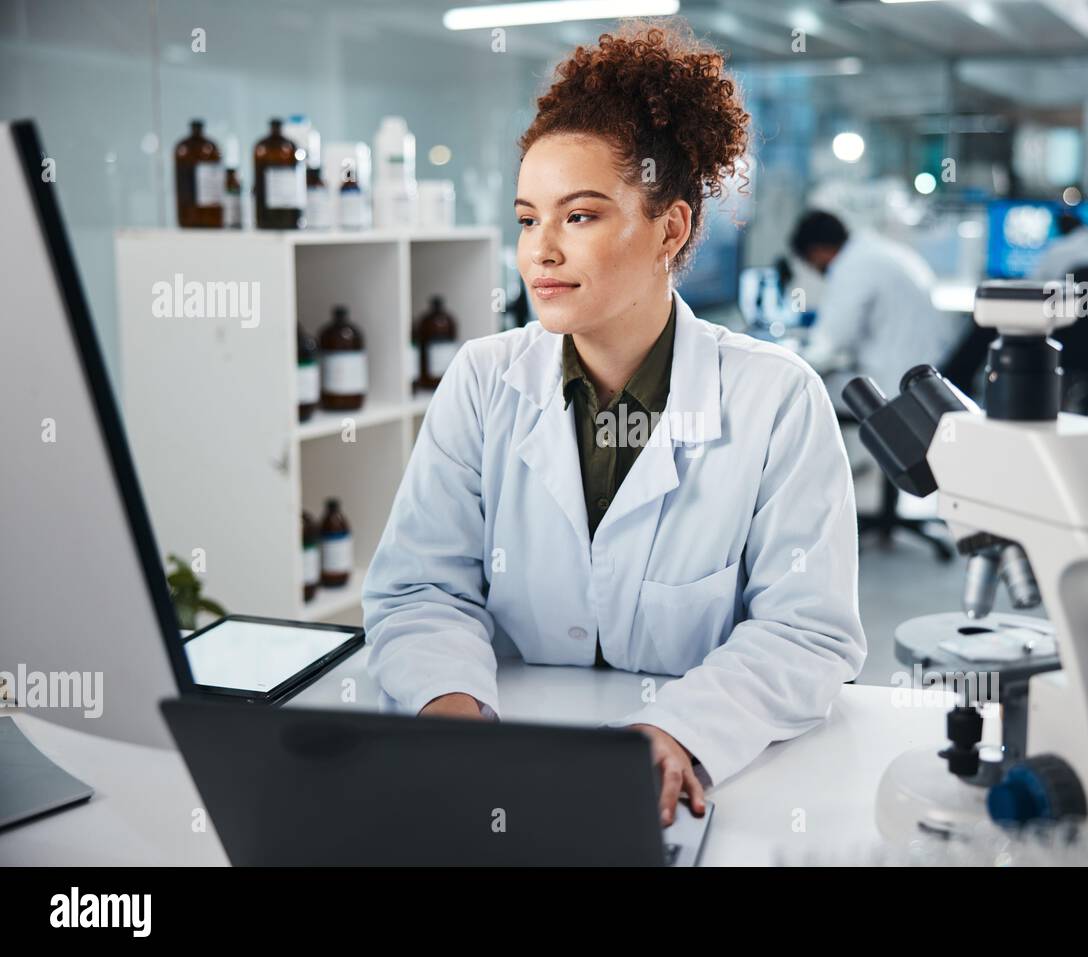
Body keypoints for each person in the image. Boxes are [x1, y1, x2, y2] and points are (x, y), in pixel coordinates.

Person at [361, 21, 867, 827]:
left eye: (581, 217)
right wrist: (453, 719)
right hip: (504, 773)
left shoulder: (776, 399)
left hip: (703, 786)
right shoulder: (484, 379)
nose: (540, 253)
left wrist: (676, 728)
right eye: (528, 220)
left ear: (671, 228)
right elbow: (422, 586)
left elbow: (806, 632)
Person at [794, 210, 963, 402]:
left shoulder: (853, 266)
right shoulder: (875, 251)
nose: (815, 269)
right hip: (925, 372)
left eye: (811, 262)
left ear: (817, 251)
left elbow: (829, 343)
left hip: (896, 381)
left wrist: (791, 364)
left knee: (808, 395)